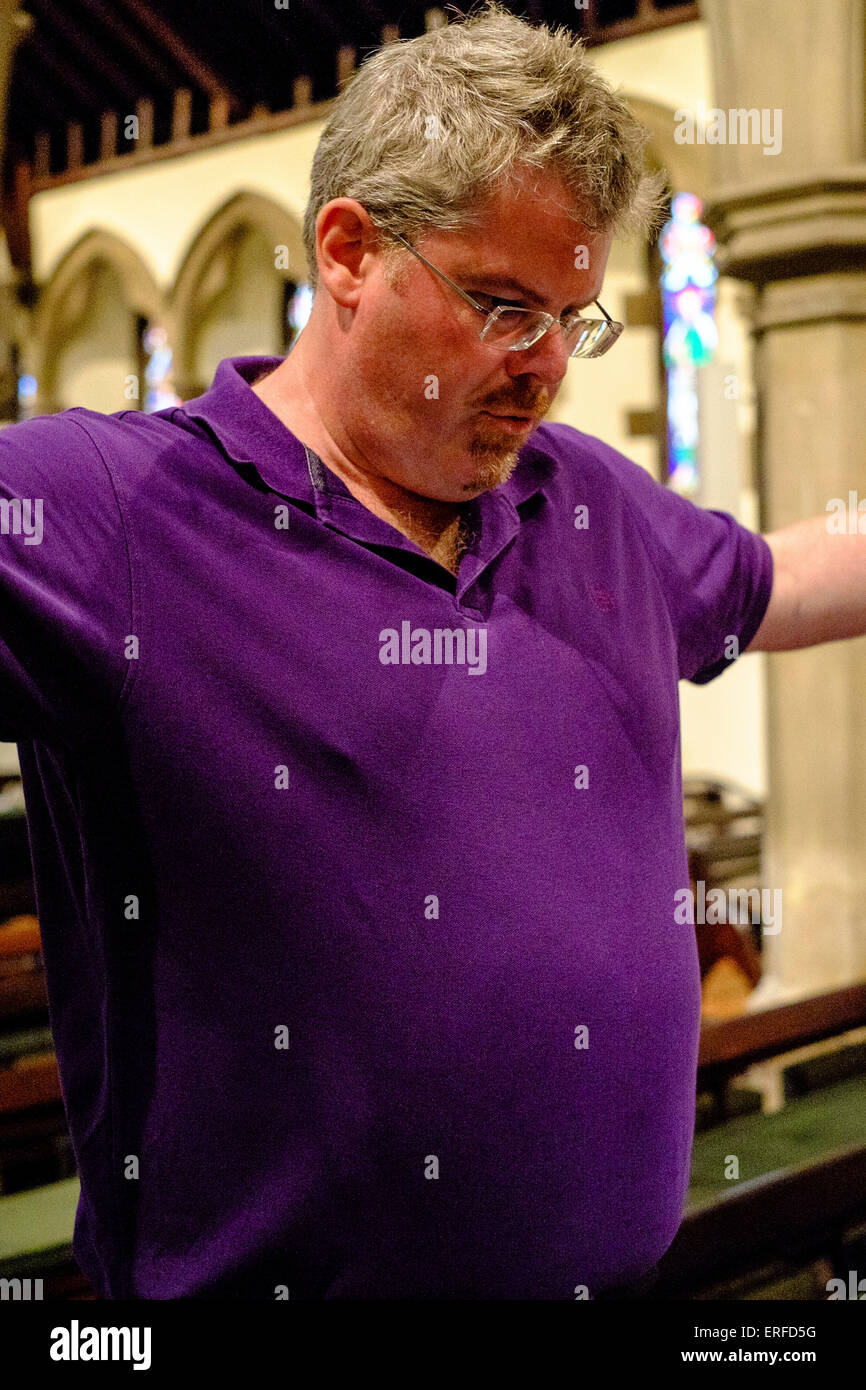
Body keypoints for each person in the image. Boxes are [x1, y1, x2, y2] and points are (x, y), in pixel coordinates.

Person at [0, 3, 863, 1301]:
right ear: (348, 251)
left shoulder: (583, 497)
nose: (545, 369)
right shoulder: (113, 509)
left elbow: (783, 576)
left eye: (577, 318)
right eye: (503, 307)